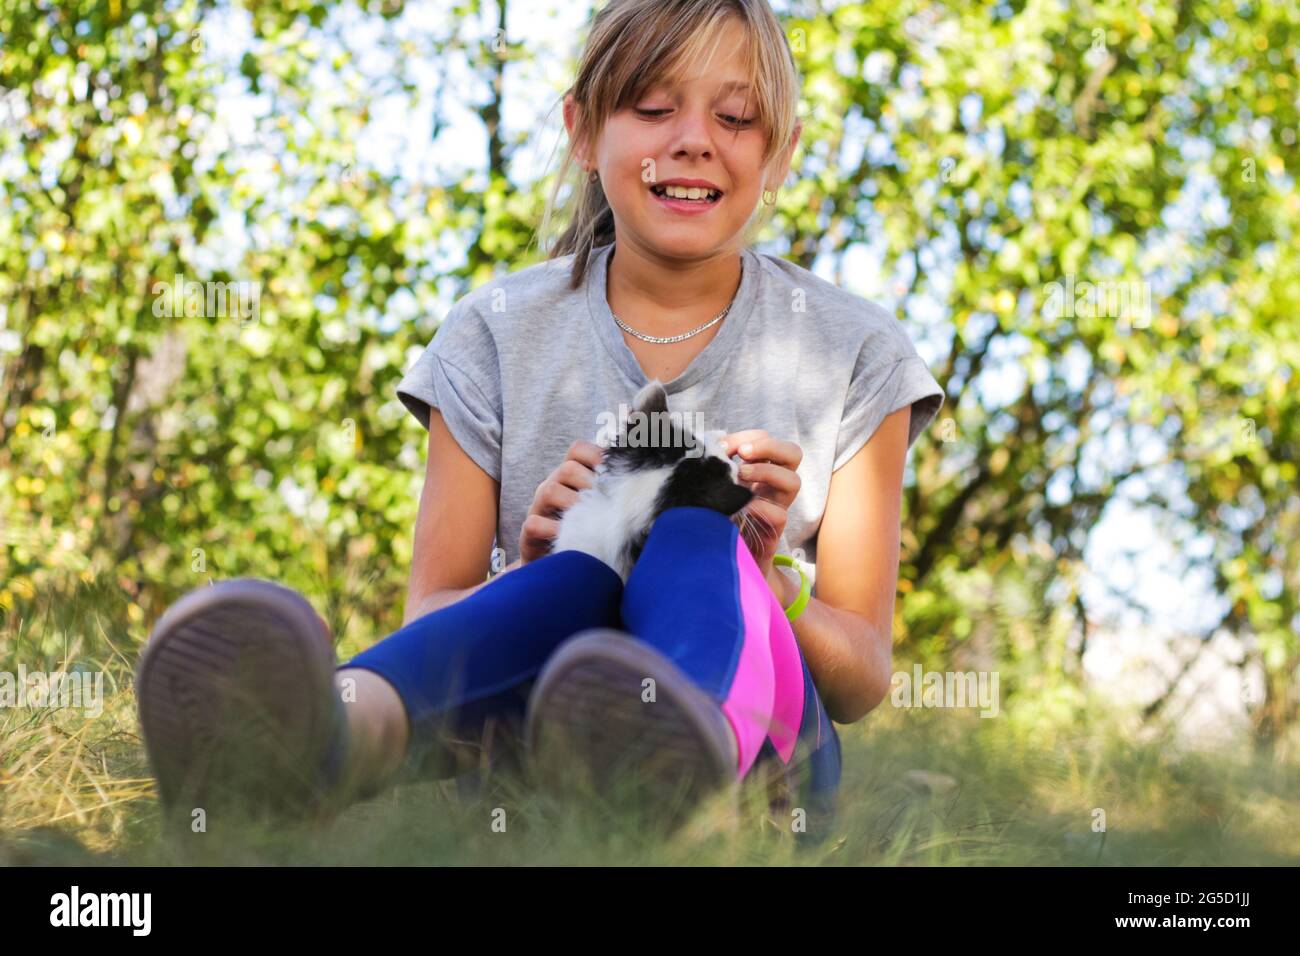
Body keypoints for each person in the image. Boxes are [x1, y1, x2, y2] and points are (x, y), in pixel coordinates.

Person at [135, 0, 945, 836]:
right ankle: (317, 745)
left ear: (779, 155)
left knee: (692, 532)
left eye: (734, 117)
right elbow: (434, 607)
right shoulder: (496, 333)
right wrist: (528, 567)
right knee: (577, 575)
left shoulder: (855, 349)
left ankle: (687, 764)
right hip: (533, 752)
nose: (695, 139)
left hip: (771, 777)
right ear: (584, 131)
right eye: (654, 107)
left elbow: (862, 677)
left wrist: (775, 584)